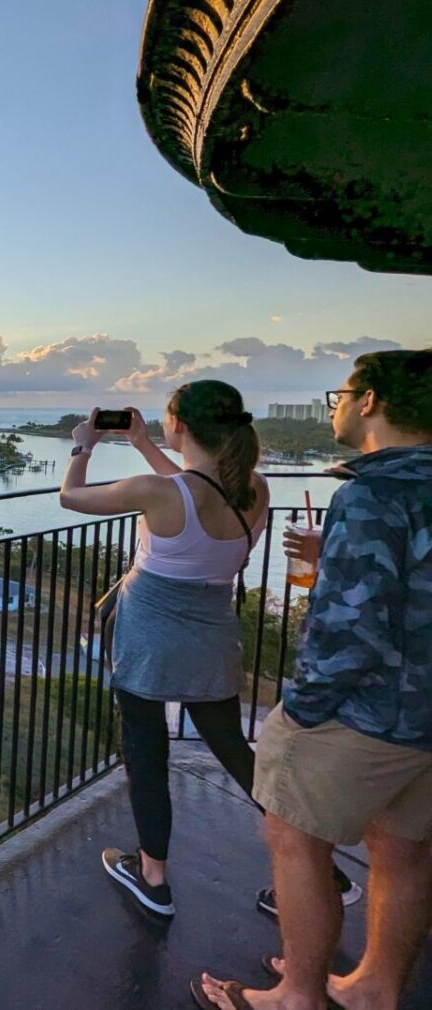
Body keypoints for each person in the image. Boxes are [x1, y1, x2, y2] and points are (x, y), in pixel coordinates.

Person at [196, 349, 432, 1010]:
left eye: (342, 391)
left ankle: (296, 994)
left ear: (371, 401)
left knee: (293, 839)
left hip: (366, 713)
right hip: (426, 715)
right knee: (405, 848)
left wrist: (300, 708)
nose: (335, 404)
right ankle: (376, 987)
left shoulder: (375, 490)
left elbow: (352, 631)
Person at [60, 380, 273, 917]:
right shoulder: (256, 490)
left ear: (178, 424)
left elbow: (70, 497)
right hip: (212, 634)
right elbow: (201, 490)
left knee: (145, 751)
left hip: (150, 637)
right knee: (234, 750)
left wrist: (83, 445)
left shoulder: (157, 493)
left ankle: (153, 878)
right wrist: (142, 446)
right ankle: (317, 863)